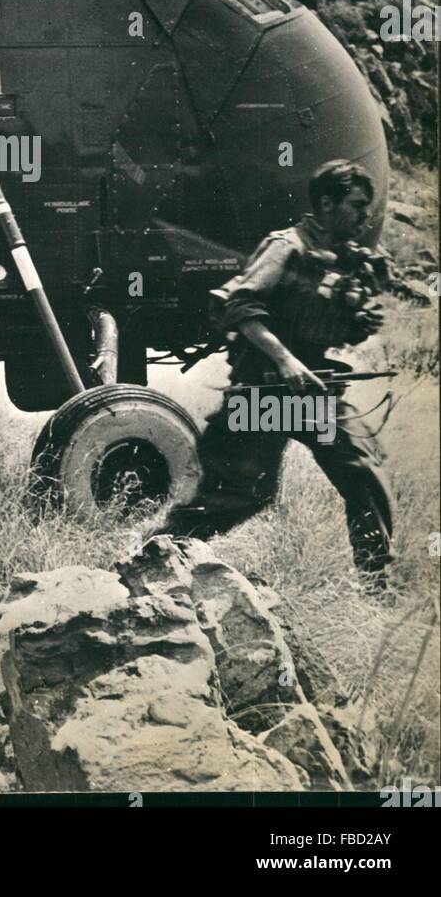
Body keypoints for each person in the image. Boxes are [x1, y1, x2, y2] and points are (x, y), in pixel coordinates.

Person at [160, 160, 395, 590]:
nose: (365, 216)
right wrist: (286, 360)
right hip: (266, 390)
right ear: (326, 203)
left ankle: (378, 583)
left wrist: (357, 323)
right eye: (357, 206)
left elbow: (319, 322)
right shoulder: (285, 247)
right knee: (240, 495)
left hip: (314, 390)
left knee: (363, 470)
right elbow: (241, 307)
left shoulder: (340, 260)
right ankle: (155, 558)